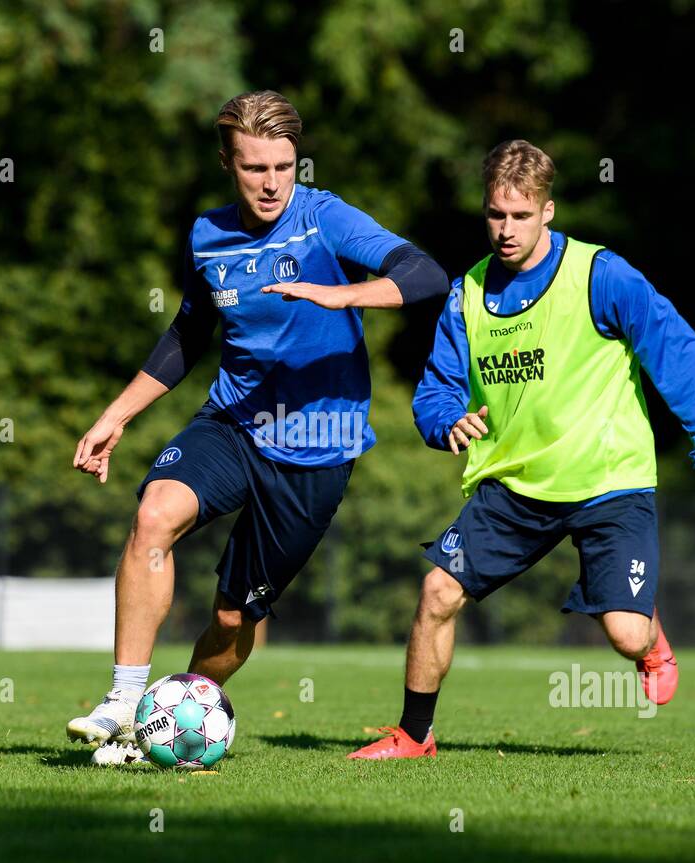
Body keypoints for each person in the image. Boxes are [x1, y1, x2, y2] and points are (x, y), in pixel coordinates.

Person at [66, 90, 448, 763]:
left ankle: (161, 733)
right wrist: (114, 417)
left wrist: (341, 294)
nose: (271, 182)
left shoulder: (325, 218)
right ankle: (124, 701)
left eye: (283, 166)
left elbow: (425, 274)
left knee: (231, 617)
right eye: (254, 168)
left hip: (316, 452)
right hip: (234, 422)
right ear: (227, 164)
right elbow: (188, 333)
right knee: (154, 514)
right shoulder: (207, 236)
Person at [349, 139, 695, 760]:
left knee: (624, 633)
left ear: (547, 211)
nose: (505, 230)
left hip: (608, 480)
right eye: (495, 215)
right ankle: (414, 735)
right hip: (515, 488)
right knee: (436, 594)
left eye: (520, 215)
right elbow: (437, 390)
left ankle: (651, 639)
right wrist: (446, 421)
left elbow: (678, 351)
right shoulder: (466, 293)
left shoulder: (600, 274)